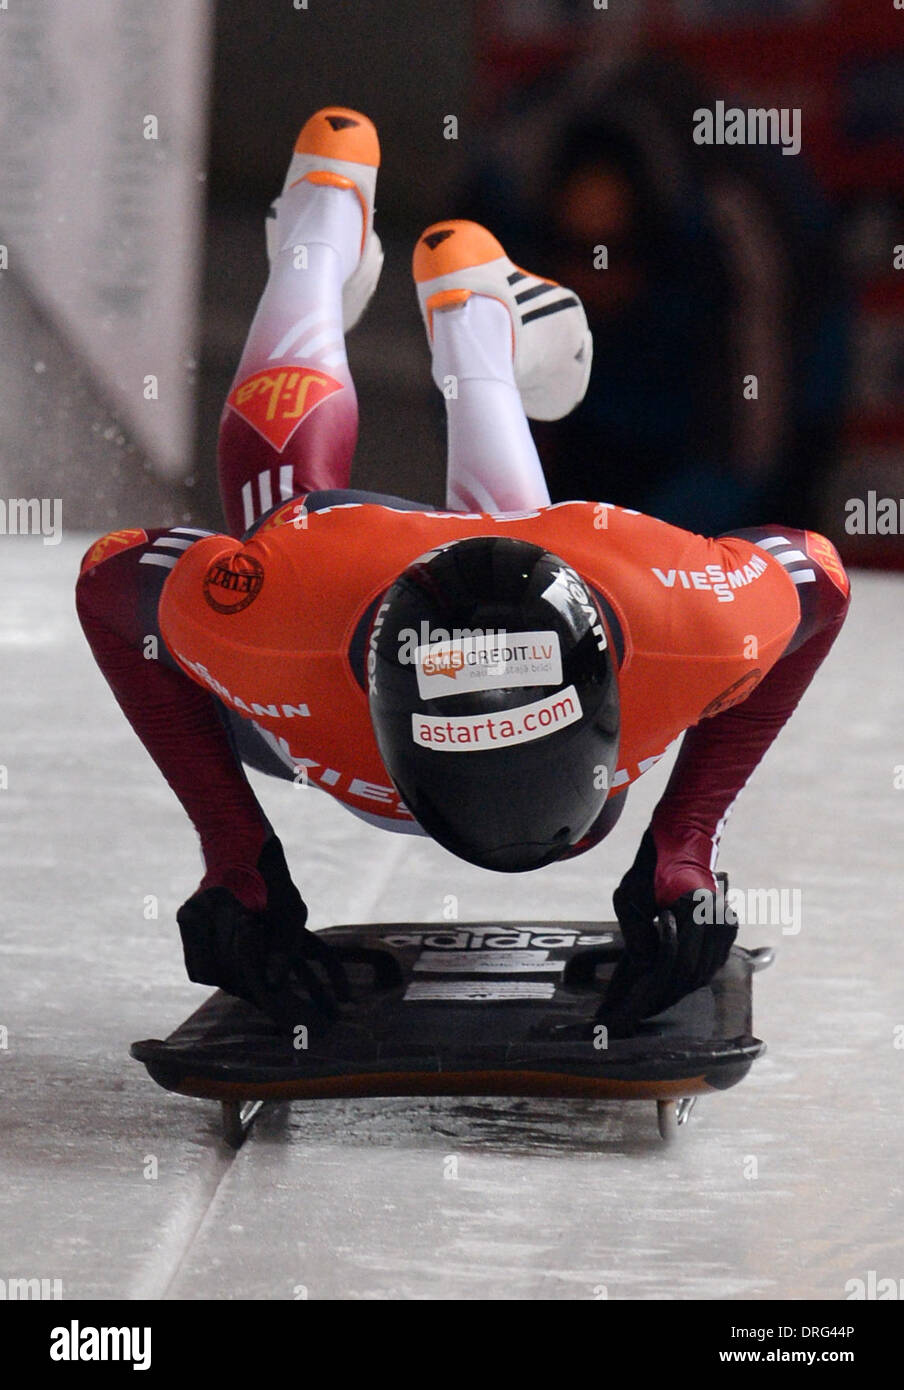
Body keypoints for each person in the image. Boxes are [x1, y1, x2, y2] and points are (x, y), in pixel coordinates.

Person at [76, 108, 850, 1037]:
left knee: (549, 731)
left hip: (543, 571)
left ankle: (404, 275)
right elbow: (108, 579)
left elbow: (823, 580)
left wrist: (684, 841)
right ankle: (375, 260)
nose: (508, 849)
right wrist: (235, 852)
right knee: (273, 513)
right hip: (337, 570)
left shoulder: (692, 618)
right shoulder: (275, 617)